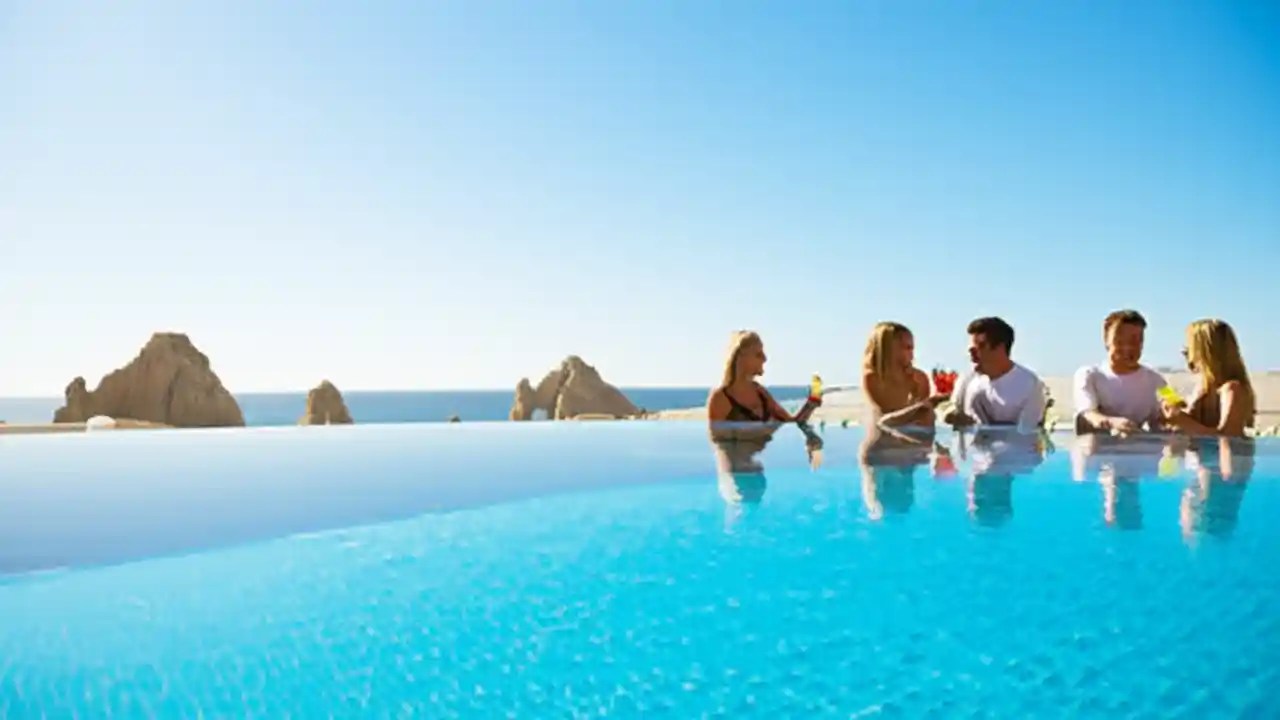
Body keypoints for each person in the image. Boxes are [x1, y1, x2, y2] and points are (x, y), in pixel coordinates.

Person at [1073, 309, 1167, 435]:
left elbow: (1172, 403)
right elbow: (1088, 414)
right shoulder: (1088, 375)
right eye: (1120, 342)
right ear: (1107, 341)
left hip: (1139, 450)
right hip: (1098, 451)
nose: (1128, 348)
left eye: (1135, 341)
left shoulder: (1157, 380)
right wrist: (1112, 423)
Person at [944, 317, 1046, 429]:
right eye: (971, 349)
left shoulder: (1029, 384)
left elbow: (1027, 433)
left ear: (1000, 348)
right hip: (972, 445)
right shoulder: (966, 381)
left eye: (981, 346)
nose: (972, 354)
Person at [1161, 319, 1256, 437]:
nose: (1185, 352)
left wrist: (1182, 421)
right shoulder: (1202, 388)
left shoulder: (1231, 390)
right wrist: (1174, 413)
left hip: (1223, 455)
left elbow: (1229, 436)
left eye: (1190, 347)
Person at [707, 330, 820, 427]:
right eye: (758, 354)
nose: (764, 358)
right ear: (740, 357)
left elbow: (791, 425)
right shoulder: (721, 398)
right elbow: (718, 443)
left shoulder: (760, 392)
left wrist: (811, 403)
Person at [861, 322, 947, 428]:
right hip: (883, 438)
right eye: (907, 348)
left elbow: (922, 417)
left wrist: (916, 392)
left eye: (912, 348)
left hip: (915, 435)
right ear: (888, 350)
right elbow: (888, 421)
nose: (912, 354)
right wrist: (929, 403)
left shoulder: (920, 377)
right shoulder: (873, 378)